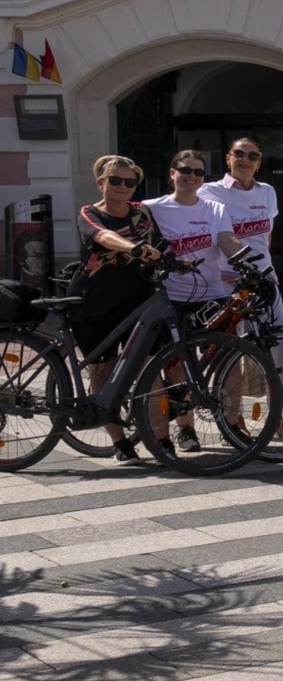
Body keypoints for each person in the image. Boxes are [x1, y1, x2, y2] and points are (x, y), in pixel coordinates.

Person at [74, 156, 167, 464]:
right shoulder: (89, 213)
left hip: (137, 303)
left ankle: (162, 442)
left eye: (130, 182)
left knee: (150, 373)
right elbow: (102, 236)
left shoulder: (141, 213)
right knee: (102, 371)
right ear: (100, 183)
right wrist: (132, 247)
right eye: (115, 180)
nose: (123, 187)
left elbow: (160, 244)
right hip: (94, 304)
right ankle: (120, 442)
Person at [143, 150, 246, 335]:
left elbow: (228, 240)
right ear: (172, 173)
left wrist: (248, 263)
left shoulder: (215, 209)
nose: (192, 176)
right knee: (174, 354)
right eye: (185, 170)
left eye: (199, 172)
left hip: (212, 295)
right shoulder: (151, 208)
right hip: (171, 298)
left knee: (225, 350)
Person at [202, 138, 280, 312]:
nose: (245, 159)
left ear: (259, 163)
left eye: (253, 156)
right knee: (231, 330)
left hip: (263, 276)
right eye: (239, 154)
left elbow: (266, 236)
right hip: (227, 280)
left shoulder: (267, 191)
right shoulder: (207, 191)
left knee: (275, 328)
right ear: (228, 158)